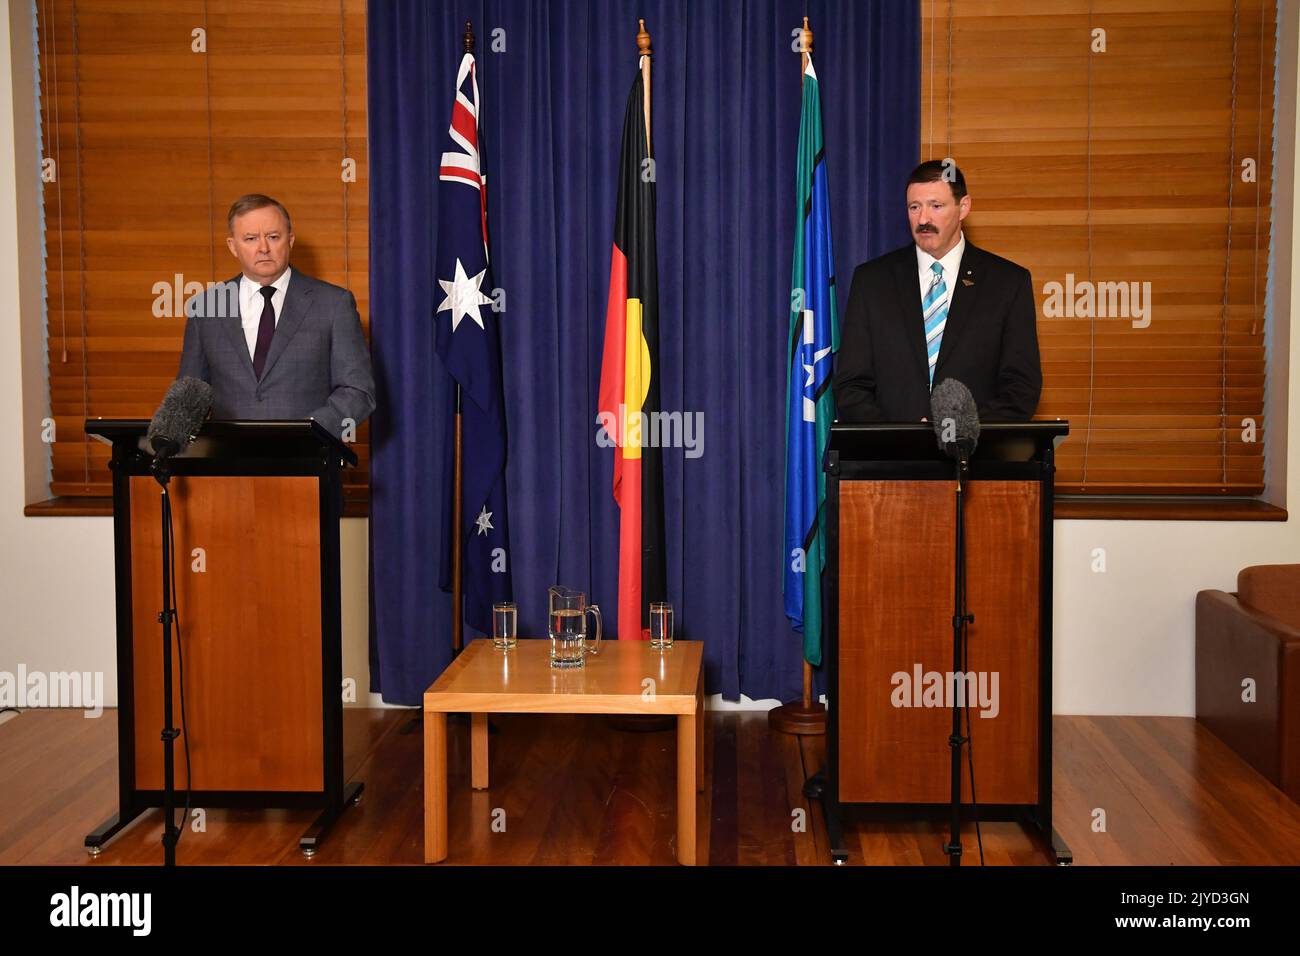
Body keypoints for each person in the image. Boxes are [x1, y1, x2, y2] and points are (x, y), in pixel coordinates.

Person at [834, 161, 1041, 422]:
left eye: (936, 206)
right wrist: (898, 438)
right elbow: (851, 386)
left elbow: (1020, 390)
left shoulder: (1007, 283)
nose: (923, 219)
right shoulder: (872, 281)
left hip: (974, 455)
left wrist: (957, 430)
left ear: (963, 207)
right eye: (914, 207)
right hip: (891, 458)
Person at [177, 194, 376, 437]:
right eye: (250, 238)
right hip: (228, 466)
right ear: (233, 246)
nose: (263, 248)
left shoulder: (334, 304)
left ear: (290, 240)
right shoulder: (206, 307)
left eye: (273, 237)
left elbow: (358, 391)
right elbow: (189, 397)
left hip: (308, 462)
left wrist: (307, 433)